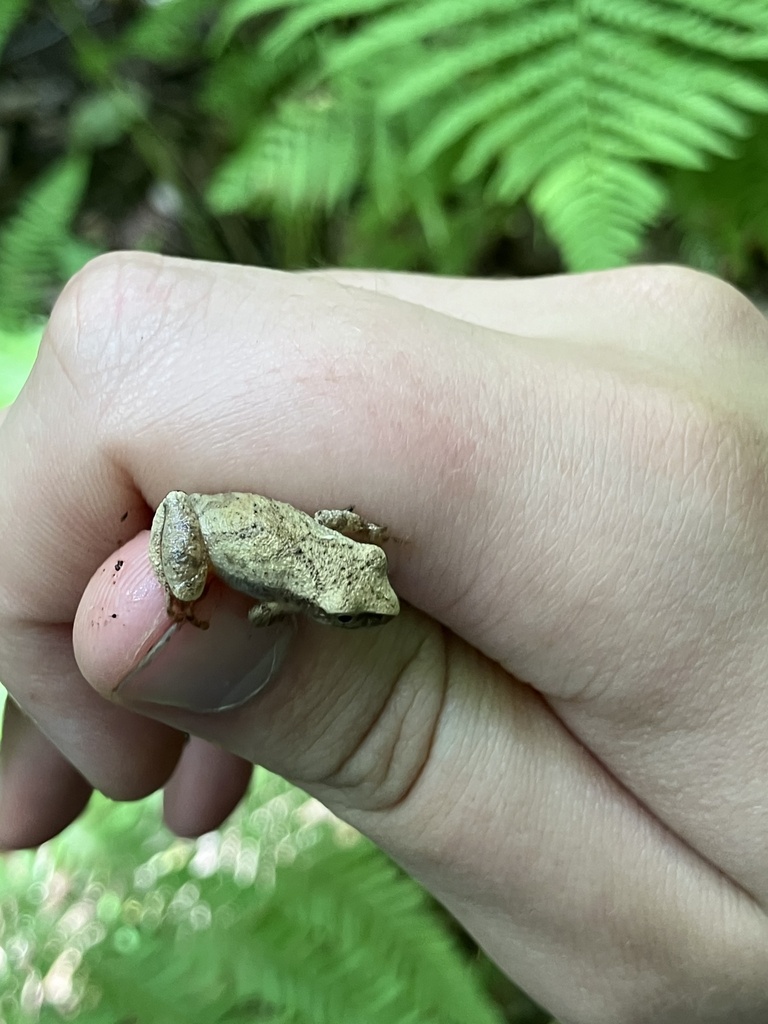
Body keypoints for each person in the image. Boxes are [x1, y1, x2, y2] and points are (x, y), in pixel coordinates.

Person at [0, 252, 767, 1023]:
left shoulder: (340, 554)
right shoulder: (304, 592)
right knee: (188, 592)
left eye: (363, 581)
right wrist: (258, 605)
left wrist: (356, 544)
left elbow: (334, 530)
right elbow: (276, 607)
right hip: (204, 525)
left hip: (247, 513)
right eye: (347, 611)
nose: (371, 603)